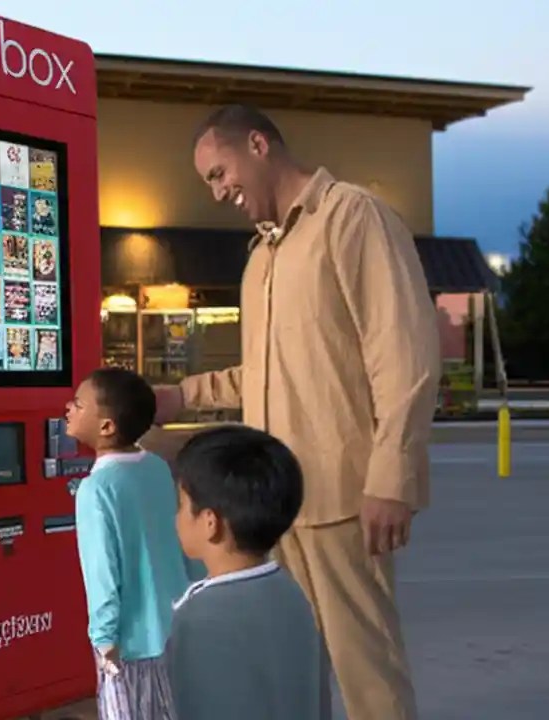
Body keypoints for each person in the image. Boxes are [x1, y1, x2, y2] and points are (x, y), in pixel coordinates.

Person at [152, 104, 440, 720]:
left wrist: (392, 477)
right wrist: (178, 398)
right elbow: (257, 372)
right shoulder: (262, 260)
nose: (218, 191)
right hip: (272, 507)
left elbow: (404, 354)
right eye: (209, 182)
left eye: (218, 172)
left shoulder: (351, 218)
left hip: (343, 500)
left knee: (368, 673)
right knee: (290, 672)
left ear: (258, 145)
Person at [166, 424, 323, 720]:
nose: (176, 517)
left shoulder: (199, 616)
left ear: (211, 522)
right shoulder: (292, 594)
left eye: (182, 505)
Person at [65, 367, 193, 720]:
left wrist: (104, 640)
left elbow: (102, 573)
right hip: (175, 629)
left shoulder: (95, 489)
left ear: (106, 426)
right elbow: (183, 542)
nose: (68, 409)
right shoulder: (155, 467)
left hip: (129, 645)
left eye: (77, 404)